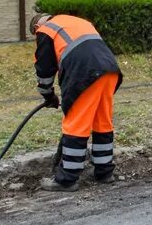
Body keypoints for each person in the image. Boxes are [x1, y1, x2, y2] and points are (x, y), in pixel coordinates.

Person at [31, 13, 123, 192]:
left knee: (76, 124)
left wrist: (48, 95)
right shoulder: (75, 21)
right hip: (109, 70)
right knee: (102, 121)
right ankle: (104, 173)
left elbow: (44, 71)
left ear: (36, 28)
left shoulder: (46, 31)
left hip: (86, 74)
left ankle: (67, 179)